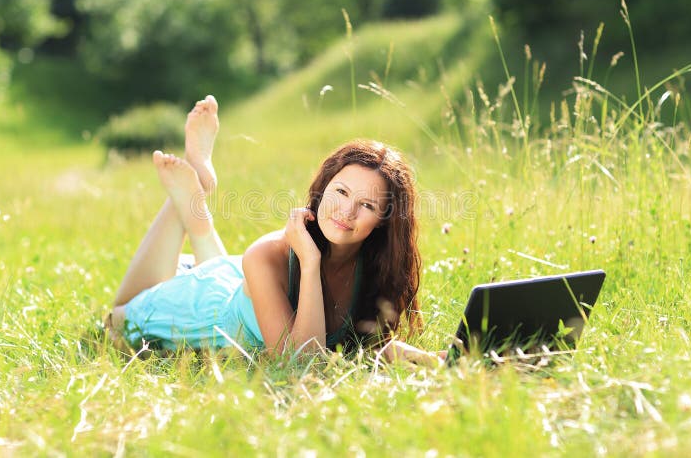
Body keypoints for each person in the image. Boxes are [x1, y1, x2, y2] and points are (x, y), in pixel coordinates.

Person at [106, 95, 441, 364]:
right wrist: (309, 263)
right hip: (194, 305)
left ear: (385, 217)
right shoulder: (272, 253)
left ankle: (194, 208)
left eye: (367, 205)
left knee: (239, 295)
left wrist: (398, 353)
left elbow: (353, 351)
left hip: (237, 286)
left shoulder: (373, 264)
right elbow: (299, 364)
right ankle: (186, 200)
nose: (346, 212)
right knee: (115, 322)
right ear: (323, 190)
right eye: (341, 193)